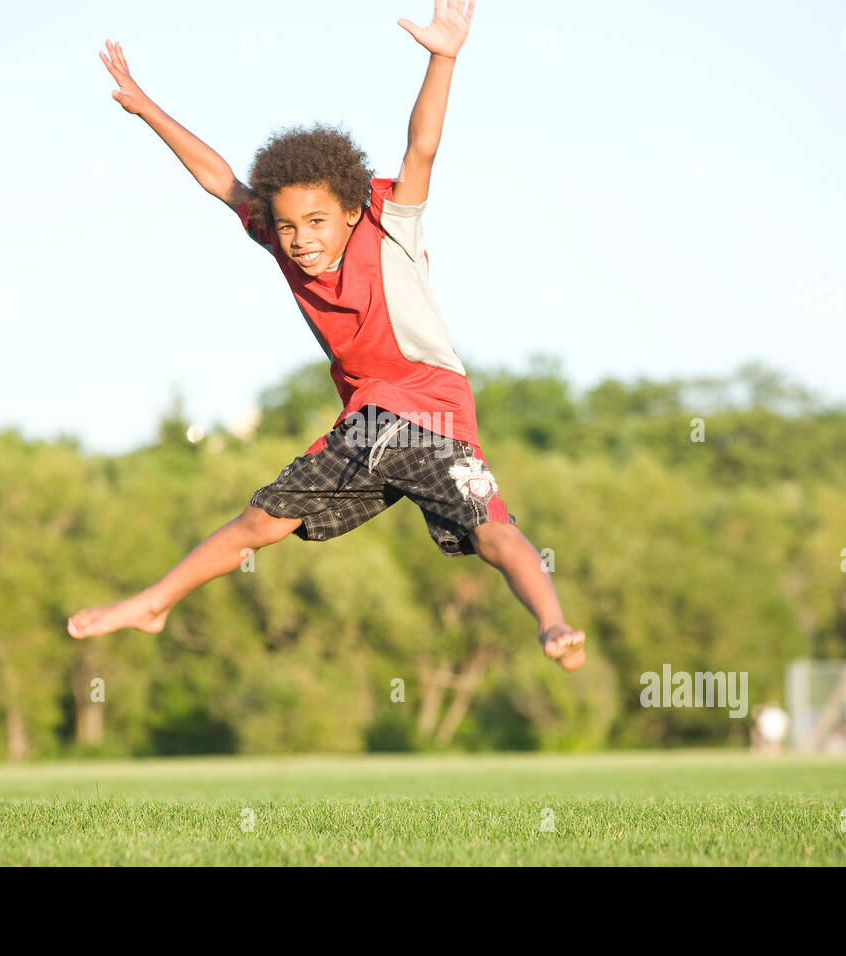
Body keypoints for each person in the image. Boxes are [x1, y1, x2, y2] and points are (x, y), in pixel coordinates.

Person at [67, 2, 585, 671]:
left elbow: (421, 145)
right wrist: (147, 108)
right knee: (261, 522)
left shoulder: (389, 222)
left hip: (429, 414)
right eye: (288, 227)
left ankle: (552, 623)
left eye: (316, 222)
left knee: (493, 532)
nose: (301, 240)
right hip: (365, 424)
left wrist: (443, 56)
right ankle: (155, 603)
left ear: (349, 210)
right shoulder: (281, 241)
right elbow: (221, 181)